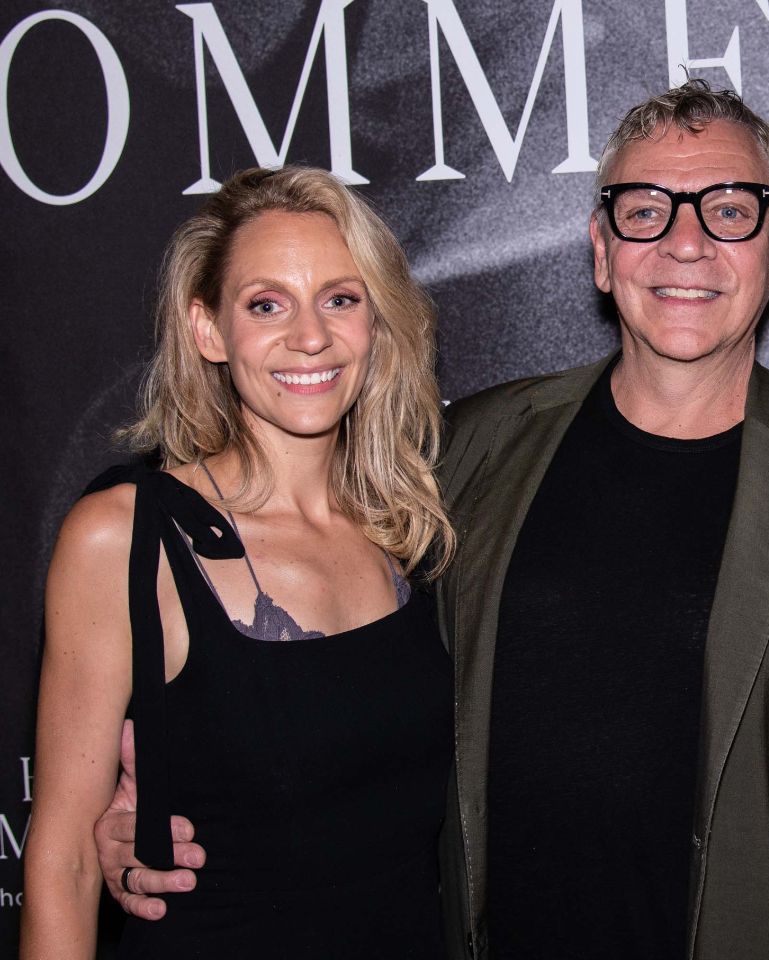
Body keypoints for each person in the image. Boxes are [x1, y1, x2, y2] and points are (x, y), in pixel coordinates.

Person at [94, 82, 769, 959]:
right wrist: (175, 809)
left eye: (729, 211)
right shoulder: (467, 452)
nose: (685, 243)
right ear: (602, 252)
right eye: (645, 211)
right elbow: (336, 695)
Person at [22, 166, 456, 958]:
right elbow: (66, 862)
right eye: (266, 304)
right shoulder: (126, 537)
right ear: (208, 330)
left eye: (340, 298)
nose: (310, 336)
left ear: (376, 320)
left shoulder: (412, 524)